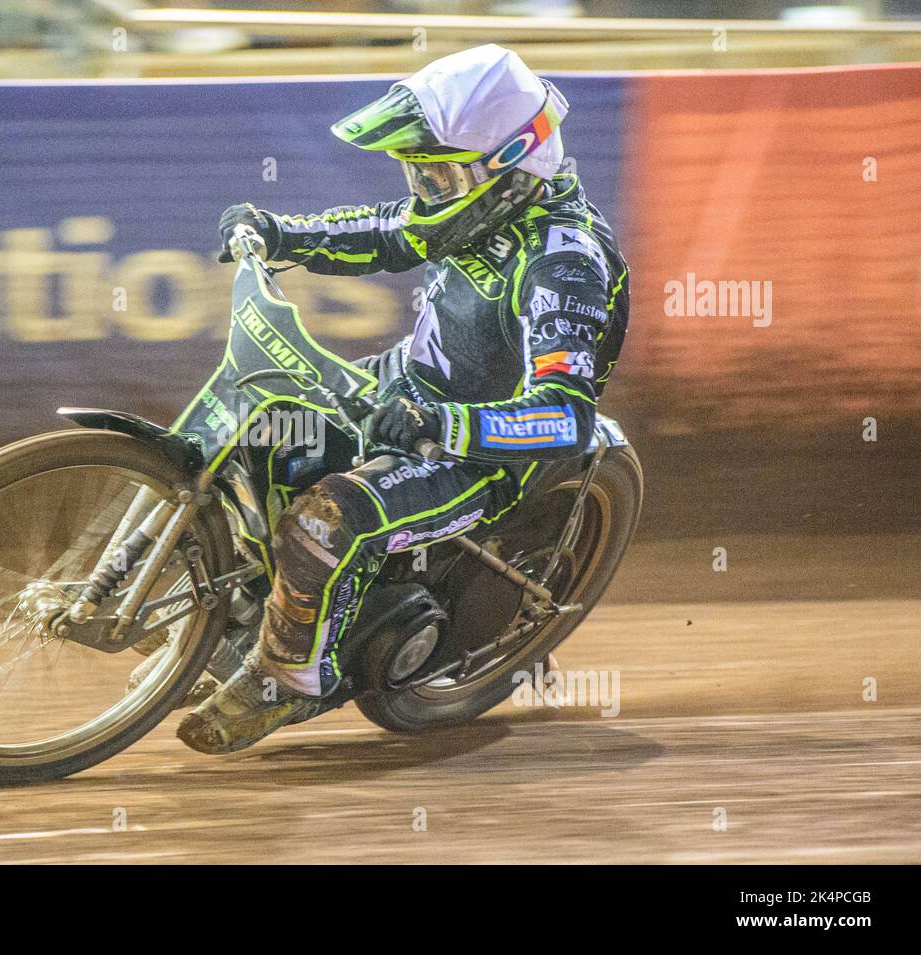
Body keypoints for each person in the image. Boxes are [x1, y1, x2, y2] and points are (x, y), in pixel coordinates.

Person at [175, 44, 630, 754]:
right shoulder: (472, 211)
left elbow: (565, 416)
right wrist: (277, 231)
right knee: (263, 432)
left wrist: (441, 422)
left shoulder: (562, 264)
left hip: (479, 450)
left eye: (439, 171)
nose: (424, 188)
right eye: (418, 170)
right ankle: (255, 609)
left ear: (509, 164)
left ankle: (287, 679)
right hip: (408, 388)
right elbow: (387, 232)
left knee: (326, 520)